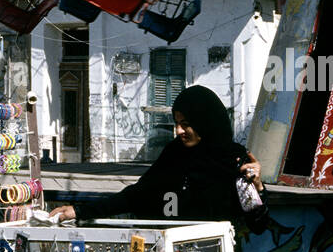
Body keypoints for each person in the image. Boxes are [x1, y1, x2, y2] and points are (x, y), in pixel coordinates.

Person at [50, 85, 264, 226]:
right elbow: (136, 196)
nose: (178, 131)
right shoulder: (174, 154)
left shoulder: (235, 160)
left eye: (186, 124)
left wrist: (258, 188)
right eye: (177, 123)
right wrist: (79, 211)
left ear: (205, 123)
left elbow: (259, 225)